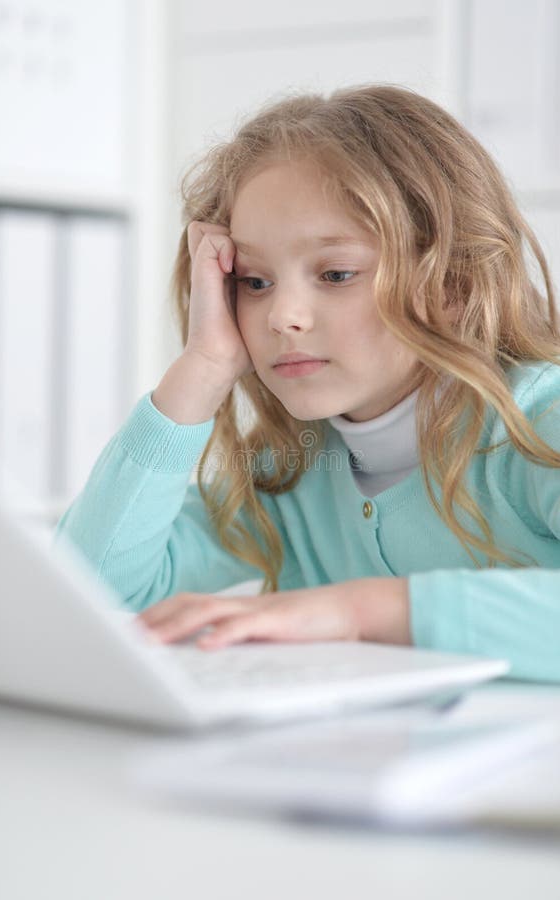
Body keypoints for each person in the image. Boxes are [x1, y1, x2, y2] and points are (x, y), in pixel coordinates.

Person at [56, 84, 560, 681]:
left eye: (336, 273)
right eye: (254, 281)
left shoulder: (537, 426)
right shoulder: (294, 475)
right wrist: (203, 368)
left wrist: (360, 610)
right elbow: (85, 596)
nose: (281, 316)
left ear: (451, 284)